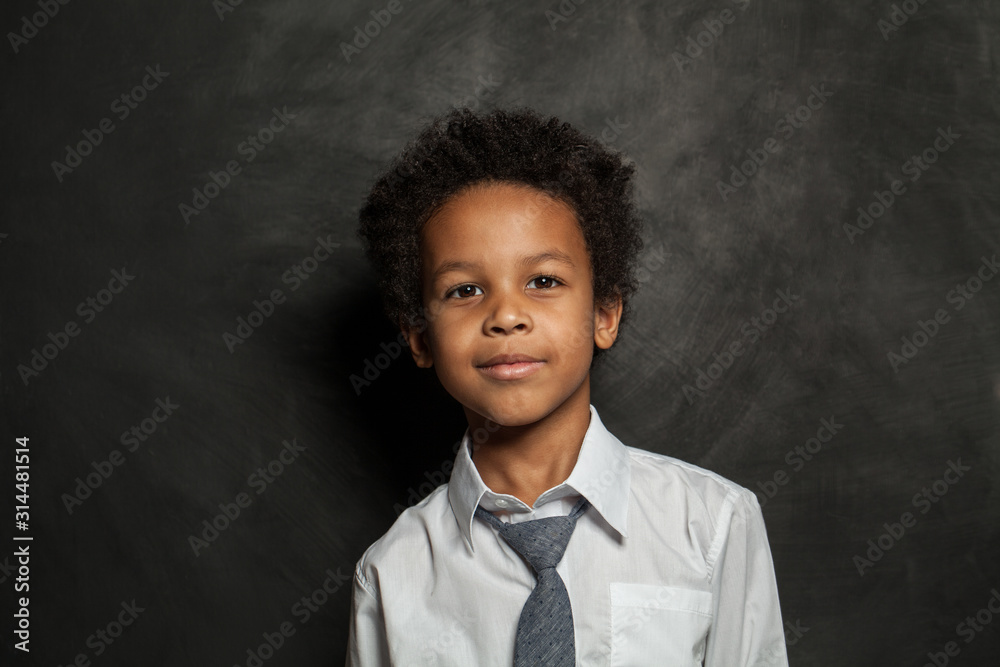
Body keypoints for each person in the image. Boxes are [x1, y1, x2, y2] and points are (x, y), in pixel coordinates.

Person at [347, 106, 788, 666]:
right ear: (419, 338)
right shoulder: (390, 572)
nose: (506, 315)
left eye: (544, 281)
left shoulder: (713, 524)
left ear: (604, 314)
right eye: (464, 291)